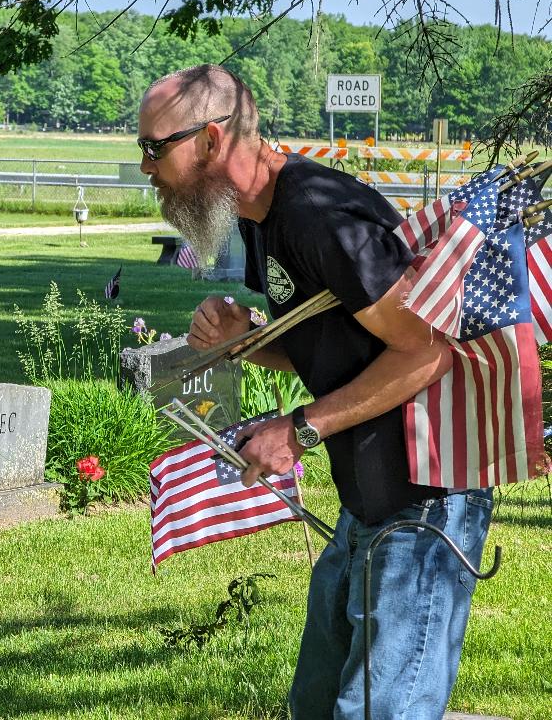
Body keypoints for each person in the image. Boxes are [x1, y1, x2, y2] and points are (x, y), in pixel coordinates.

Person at [138, 64, 493, 719]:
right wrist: (243, 336)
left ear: (211, 141)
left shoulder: (317, 216)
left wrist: (299, 429)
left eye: (155, 147)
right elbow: (336, 347)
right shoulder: (258, 217)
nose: (145, 167)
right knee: (316, 703)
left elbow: (426, 349)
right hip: (370, 502)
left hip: (427, 500)